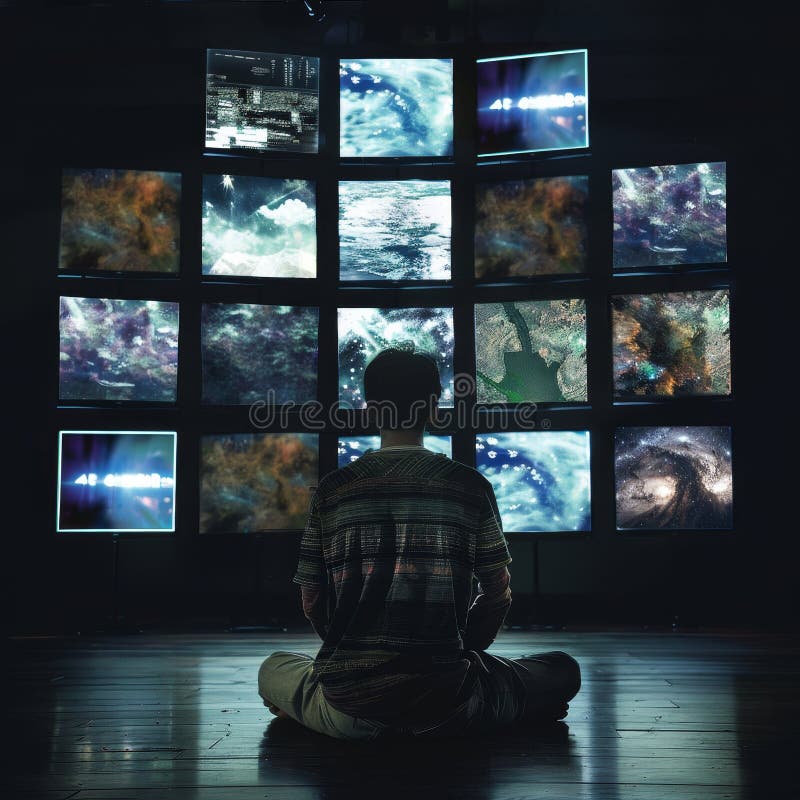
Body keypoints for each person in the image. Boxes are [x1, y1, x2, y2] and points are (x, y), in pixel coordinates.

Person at [258, 347, 580, 740]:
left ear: (370, 408)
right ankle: (508, 705)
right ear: (433, 406)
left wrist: (351, 653)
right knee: (563, 669)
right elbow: (498, 592)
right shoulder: (470, 486)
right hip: (449, 702)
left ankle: (308, 711)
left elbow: (312, 599)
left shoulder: (333, 490)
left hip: (349, 708)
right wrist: (467, 651)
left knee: (274, 667)